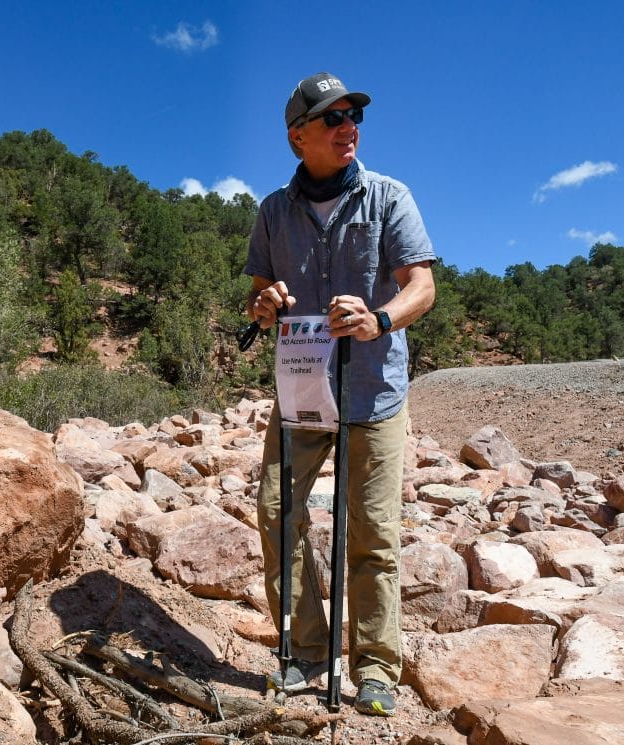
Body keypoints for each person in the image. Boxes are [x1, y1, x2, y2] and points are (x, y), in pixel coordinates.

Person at [244, 72, 436, 717]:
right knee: (278, 512)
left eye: (354, 115)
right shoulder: (273, 211)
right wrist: (265, 303)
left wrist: (380, 317)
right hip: (301, 393)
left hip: (372, 392)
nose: (348, 125)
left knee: (373, 533)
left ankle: (376, 667)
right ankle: (304, 651)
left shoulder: (389, 197)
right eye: (332, 118)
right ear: (299, 138)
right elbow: (260, 296)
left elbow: (422, 287)